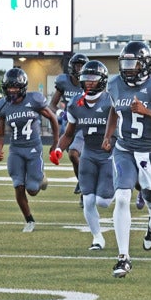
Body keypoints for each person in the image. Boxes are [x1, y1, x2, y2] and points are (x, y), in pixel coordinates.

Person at [104, 41, 151, 278]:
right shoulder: (115, 84)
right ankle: (123, 257)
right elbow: (114, 110)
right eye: (125, 63)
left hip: (150, 150)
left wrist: (147, 112)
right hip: (124, 149)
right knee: (123, 197)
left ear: (145, 65)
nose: (128, 69)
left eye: (133, 64)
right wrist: (108, 135)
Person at [0, 68, 61, 233]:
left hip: (33, 149)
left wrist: (55, 142)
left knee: (32, 189)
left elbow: (52, 118)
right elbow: (0, 132)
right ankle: (29, 220)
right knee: (18, 185)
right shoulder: (2, 106)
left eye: (15, 87)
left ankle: (40, 177)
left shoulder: (34, 100)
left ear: (22, 87)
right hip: (16, 150)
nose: (12, 90)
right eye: (9, 87)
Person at [58, 60, 115, 250]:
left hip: (109, 154)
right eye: (86, 79)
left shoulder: (110, 100)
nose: (89, 82)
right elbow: (69, 132)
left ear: (102, 80)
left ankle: (122, 185)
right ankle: (97, 237)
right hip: (89, 154)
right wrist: (58, 149)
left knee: (103, 202)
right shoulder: (76, 103)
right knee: (88, 199)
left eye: (93, 79)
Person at [50, 53, 89, 204]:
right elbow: (52, 105)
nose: (79, 69)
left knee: (76, 155)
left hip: (85, 125)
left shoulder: (89, 81)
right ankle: (83, 184)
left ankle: (85, 188)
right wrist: (61, 112)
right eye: (77, 65)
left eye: (82, 65)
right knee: (74, 158)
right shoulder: (63, 82)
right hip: (69, 127)